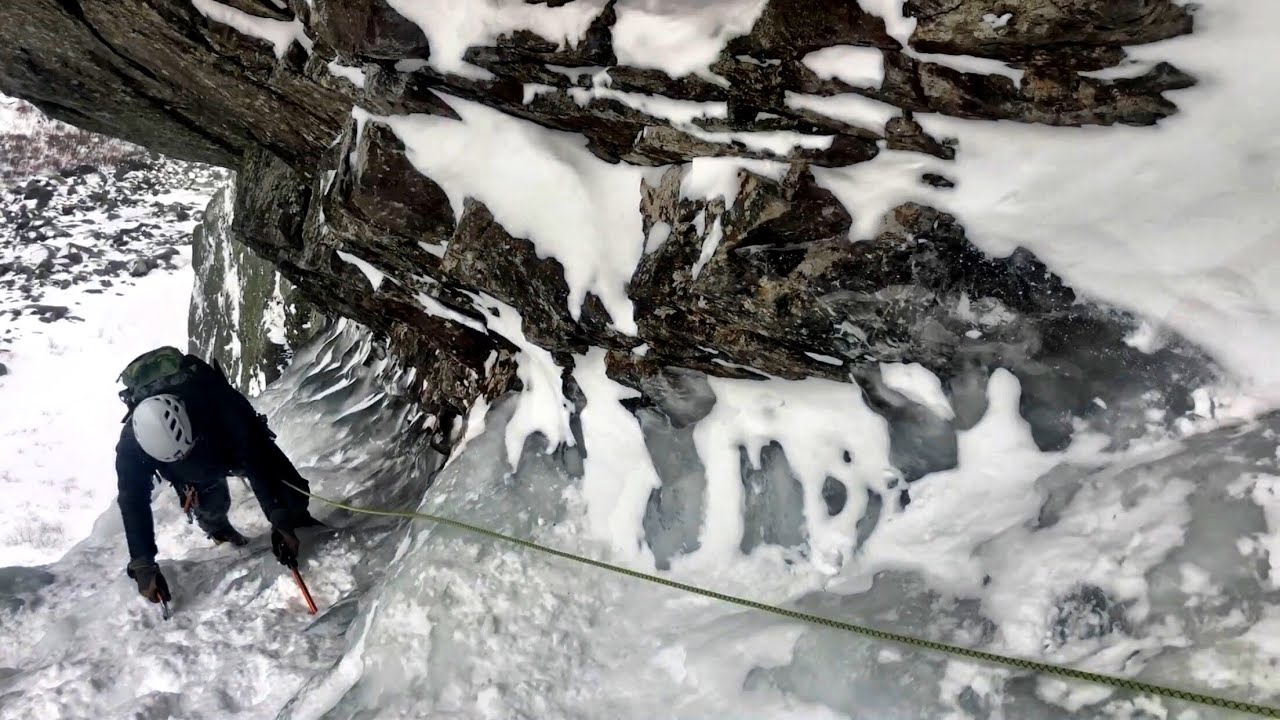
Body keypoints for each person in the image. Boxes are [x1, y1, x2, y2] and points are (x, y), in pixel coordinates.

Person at [114, 346, 319, 605]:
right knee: (210, 506)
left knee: (291, 496)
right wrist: (143, 563)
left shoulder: (216, 403)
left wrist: (280, 518)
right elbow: (132, 500)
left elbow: (255, 457)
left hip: (228, 444)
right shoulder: (132, 446)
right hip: (191, 474)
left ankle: (298, 520)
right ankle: (221, 532)